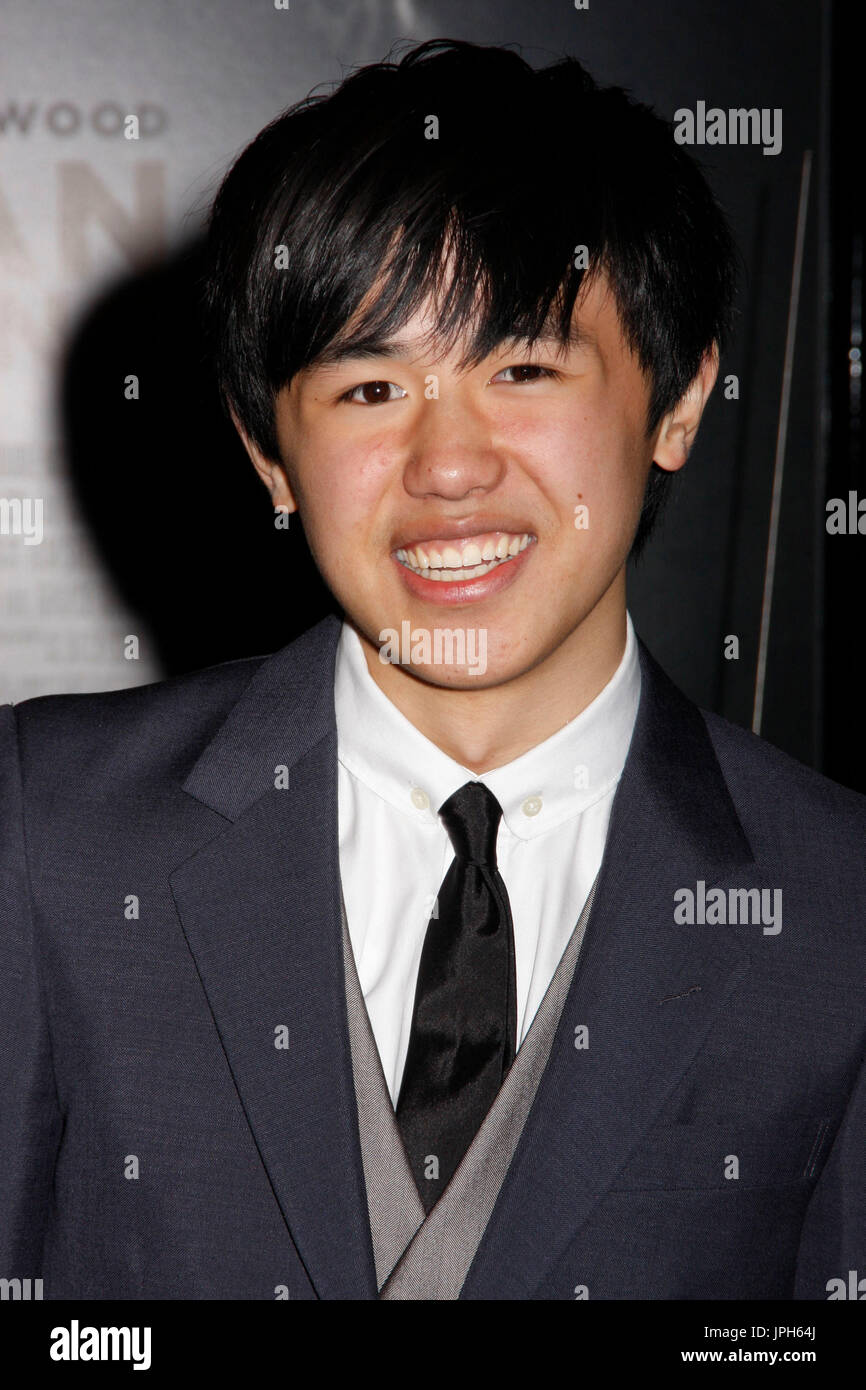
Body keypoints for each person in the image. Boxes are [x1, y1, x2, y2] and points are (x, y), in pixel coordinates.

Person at [1, 38, 864, 1301]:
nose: (447, 464)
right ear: (266, 452)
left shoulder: (835, 901)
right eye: (367, 387)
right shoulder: (49, 830)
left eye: (521, 368)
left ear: (677, 399)